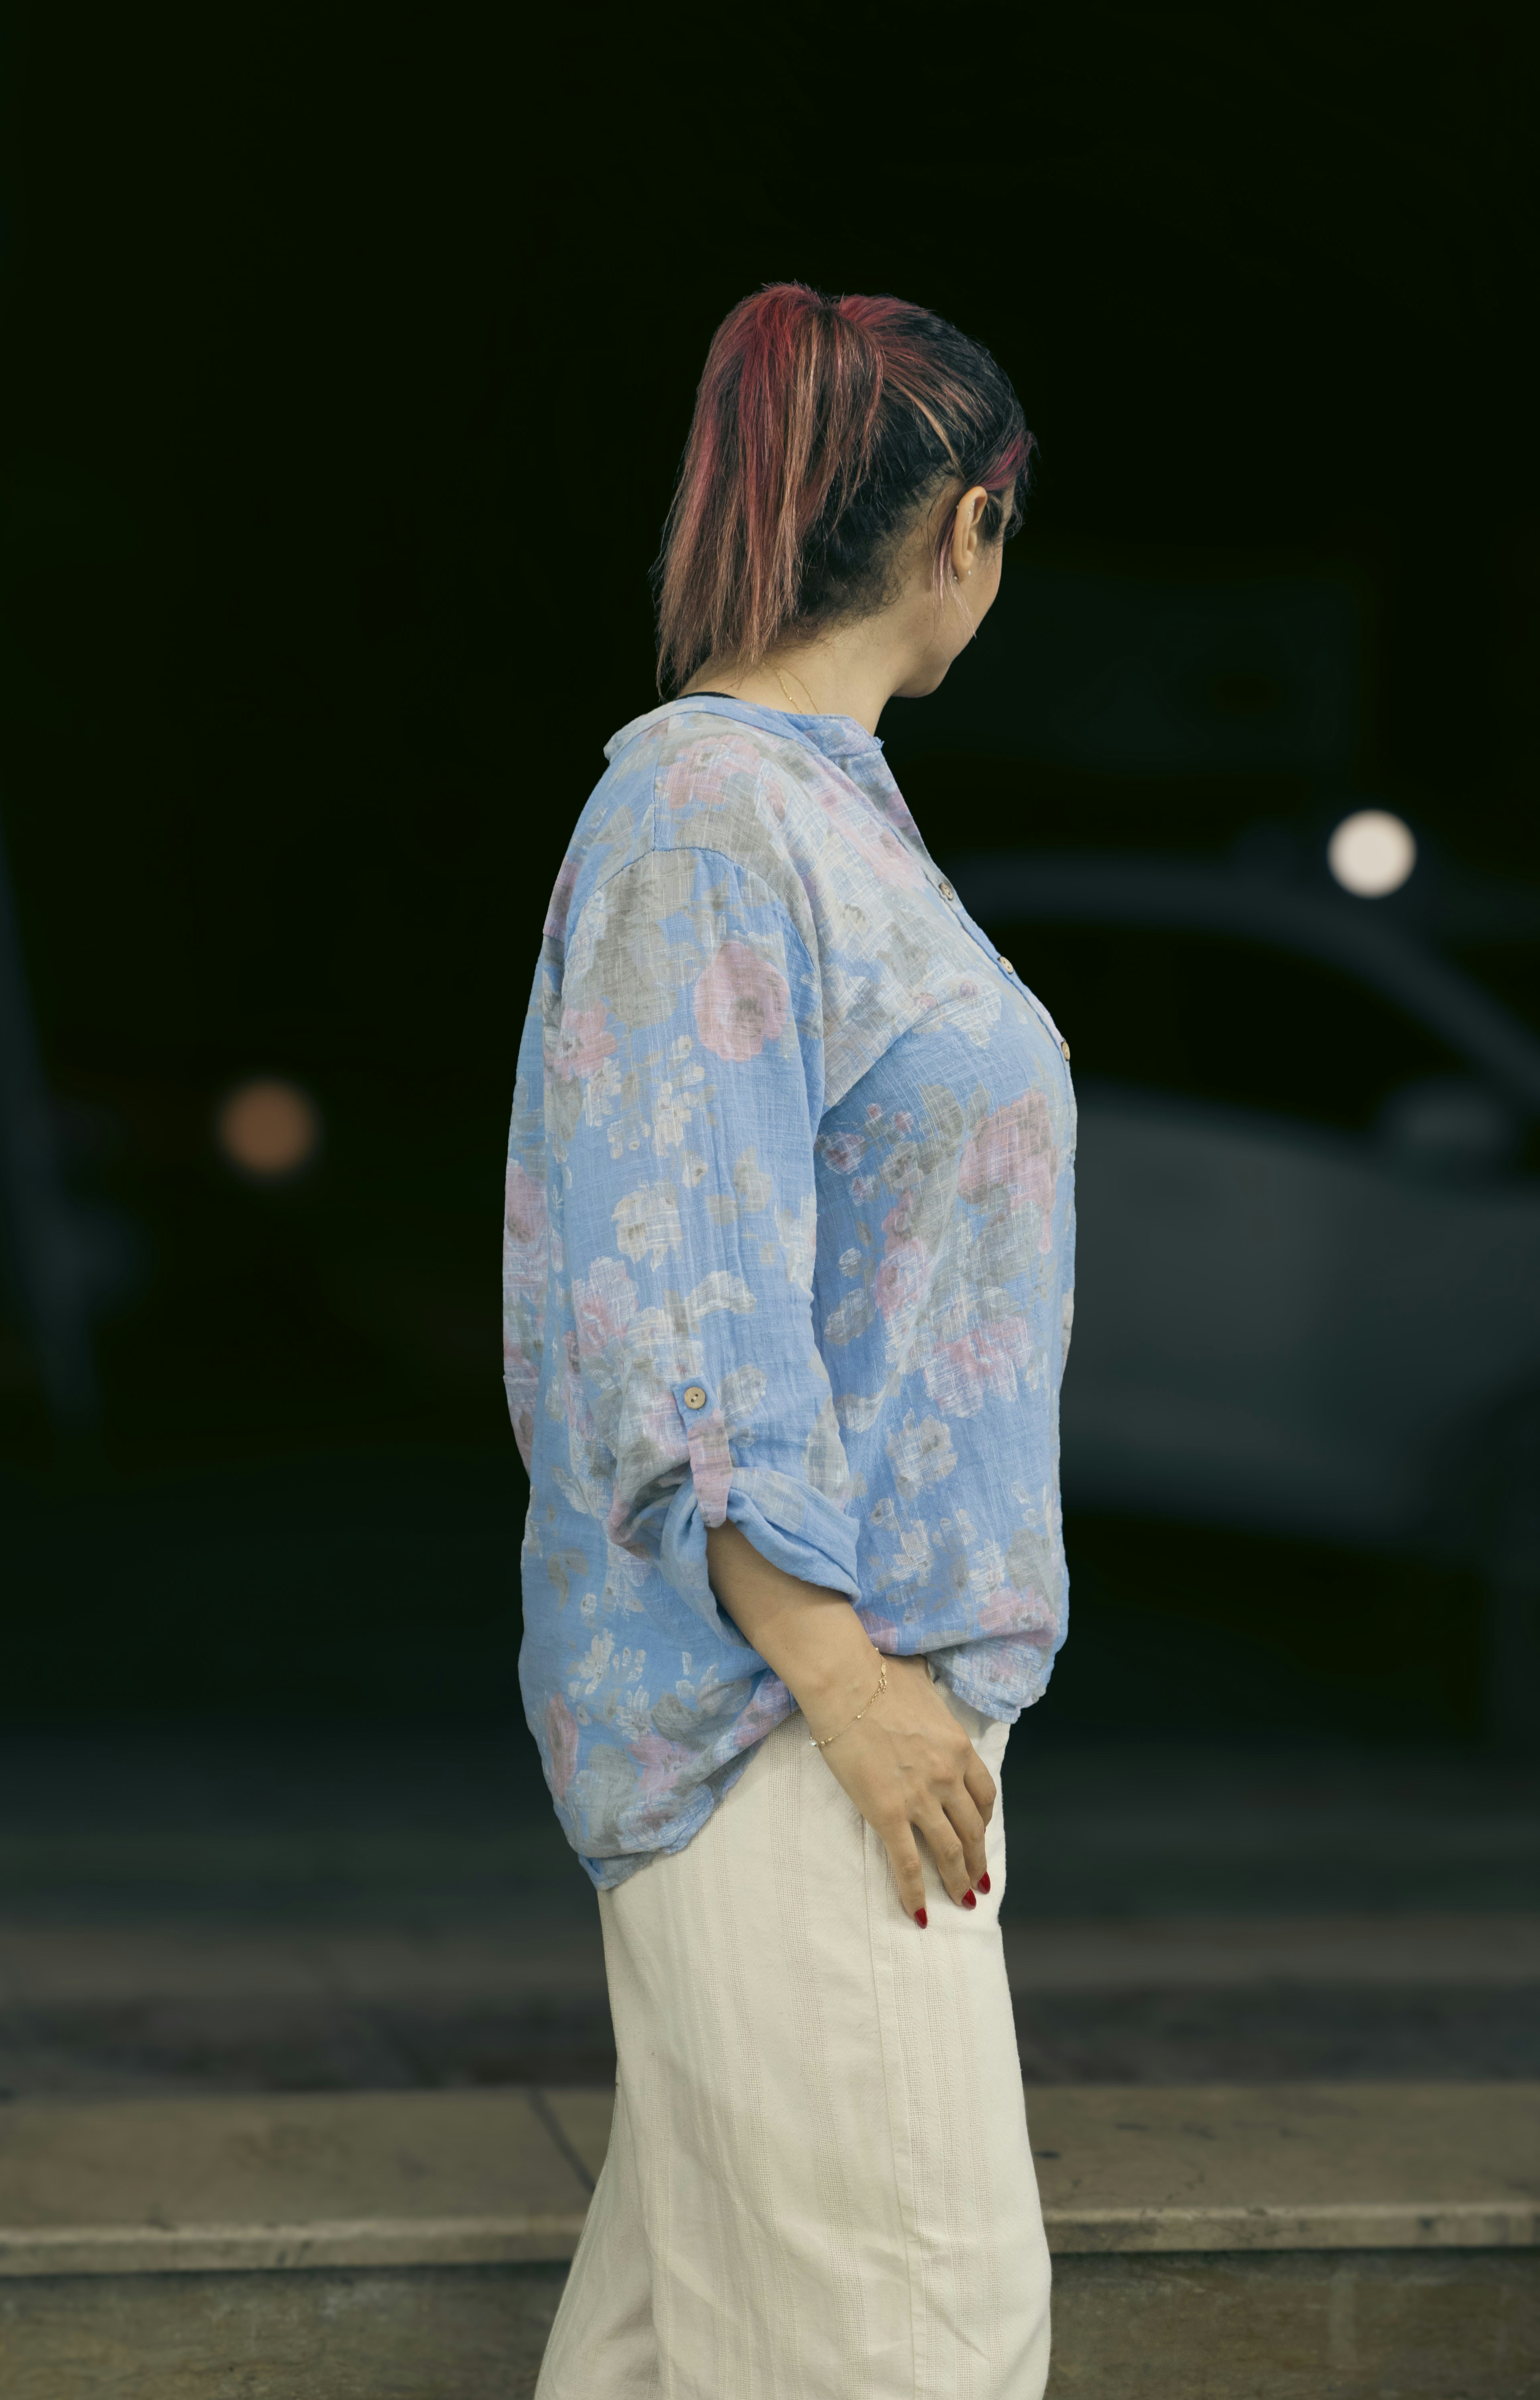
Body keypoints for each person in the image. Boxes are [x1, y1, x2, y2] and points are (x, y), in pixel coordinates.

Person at [503, 283, 1074, 2400]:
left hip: (855, 1719)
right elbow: (684, 1300)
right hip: (797, 1729)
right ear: (964, 529)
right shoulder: (709, 813)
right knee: (916, 2344)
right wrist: (845, 1682)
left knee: (680, 2356)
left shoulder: (817, 808)